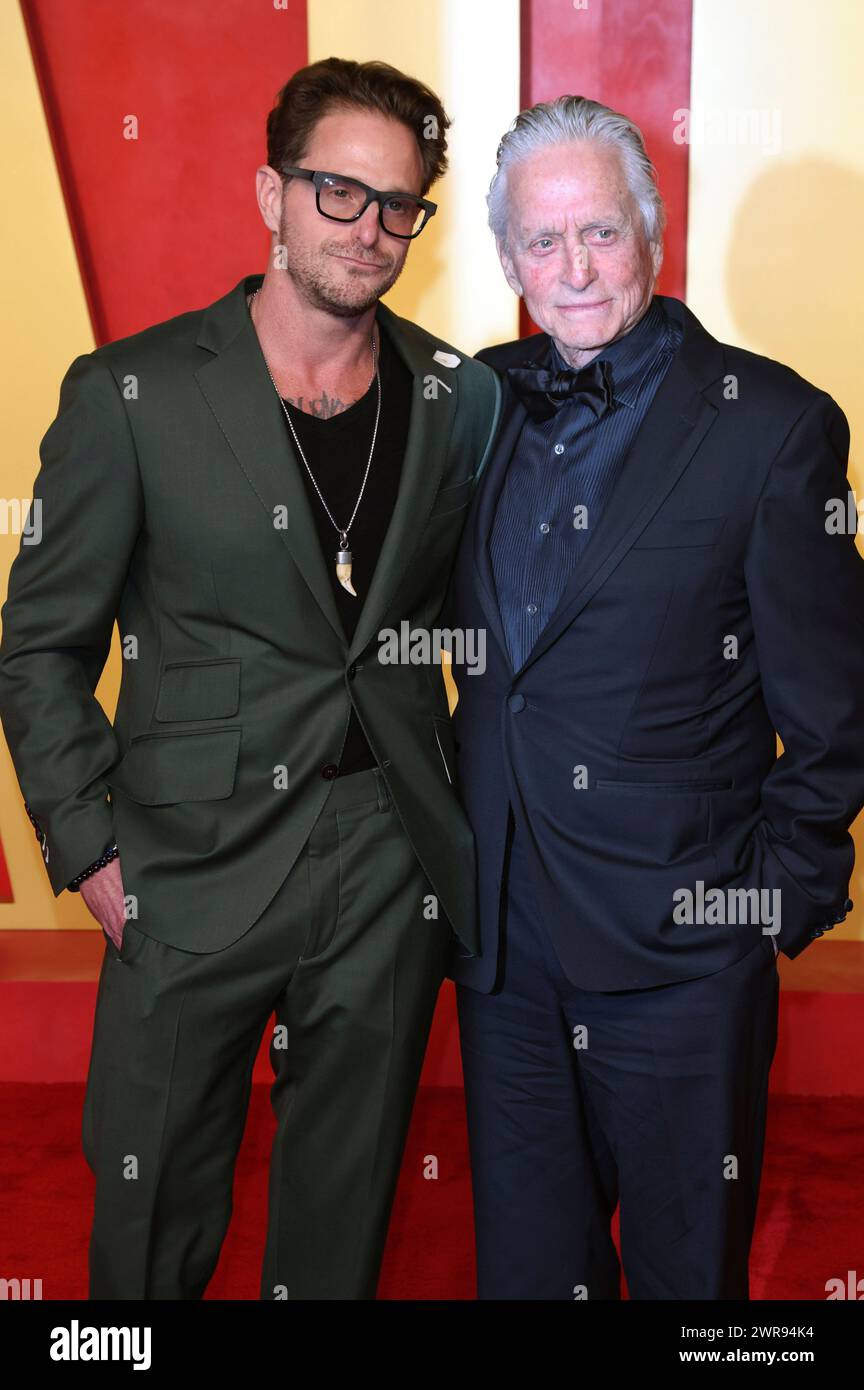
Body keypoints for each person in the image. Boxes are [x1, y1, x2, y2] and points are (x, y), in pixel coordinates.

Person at [0, 56, 500, 1300]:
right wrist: (91, 847)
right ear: (268, 192)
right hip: (185, 858)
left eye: (399, 204)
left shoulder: (459, 401)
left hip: (385, 859)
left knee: (342, 1221)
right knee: (149, 1212)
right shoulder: (136, 393)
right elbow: (40, 644)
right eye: (338, 191)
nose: (369, 228)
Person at [445, 94, 864, 1299]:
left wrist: (766, 905)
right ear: (507, 255)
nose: (572, 269)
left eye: (601, 234)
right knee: (528, 1273)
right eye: (541, 241)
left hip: (683, 953)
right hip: (505, 947)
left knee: (689, 1285)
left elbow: (836, 699)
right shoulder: (473, 406)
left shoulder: (773, 426)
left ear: (652, 232)